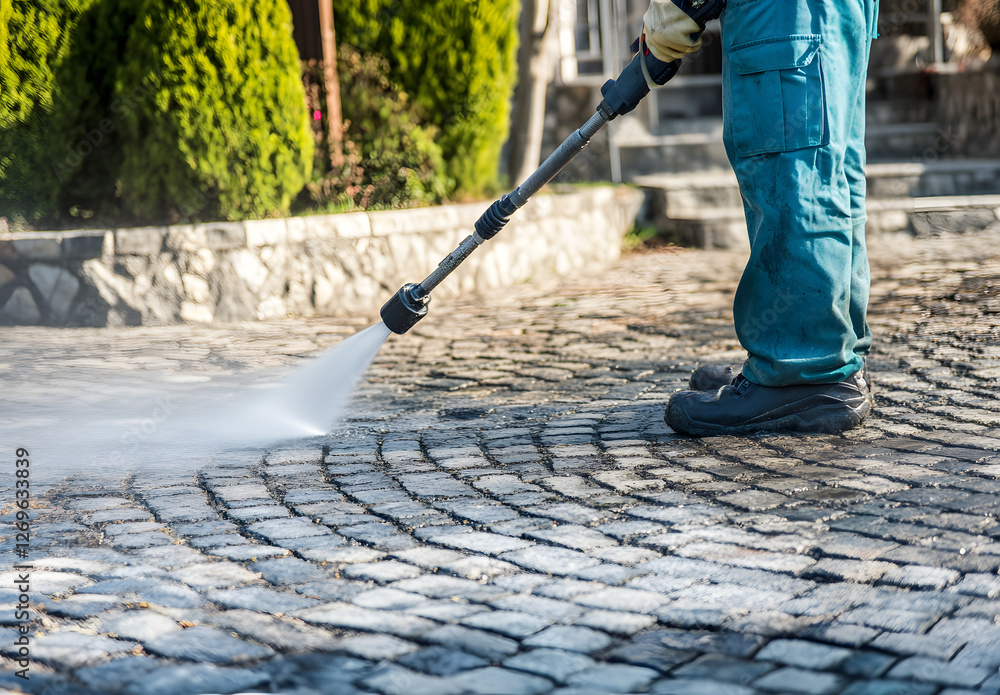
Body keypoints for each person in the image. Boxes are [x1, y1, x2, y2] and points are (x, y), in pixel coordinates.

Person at [642, 0, 879, 436]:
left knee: (792, 171)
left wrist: (675, 8)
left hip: (784, 13)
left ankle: (803, 369)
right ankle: (831, 349)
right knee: (828, 166)